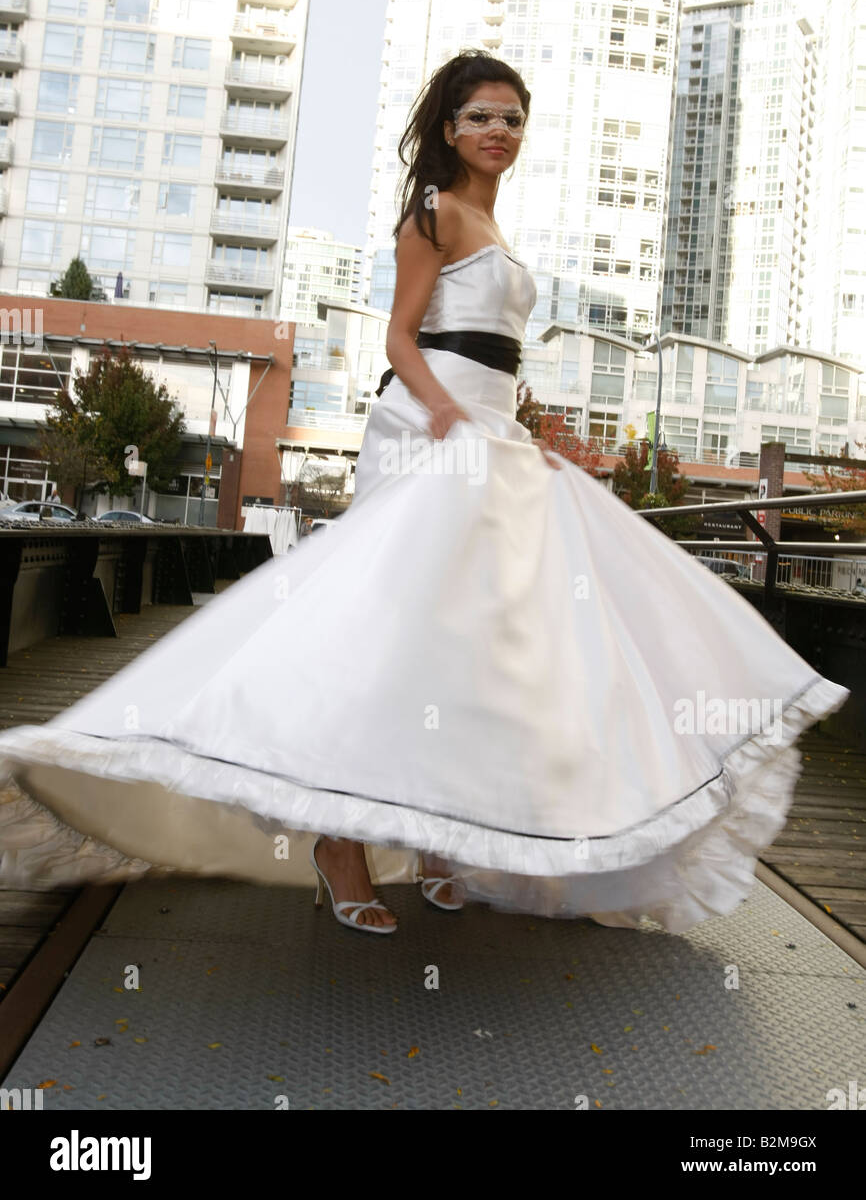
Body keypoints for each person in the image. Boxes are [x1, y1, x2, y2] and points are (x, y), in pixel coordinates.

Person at [0, 51, 850, 938]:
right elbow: (402, 340)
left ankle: (441, 835)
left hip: (489, 431)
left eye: (514, 119)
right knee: (395, 635)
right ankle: (340, 847)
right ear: (450, 129)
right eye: (483, 116)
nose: (499, 132)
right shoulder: (434, 214)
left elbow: (499, 356)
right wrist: (449, 417)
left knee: (475, 644)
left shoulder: (491, 221)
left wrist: (514, 434)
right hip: (428, 426)